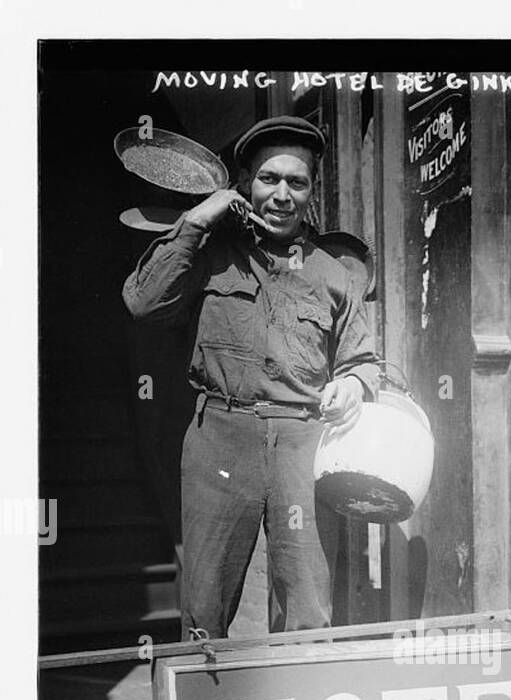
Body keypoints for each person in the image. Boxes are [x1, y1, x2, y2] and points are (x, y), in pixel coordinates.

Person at [123, 115, 379, 639]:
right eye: (269, 179)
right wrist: (196, 220)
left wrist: (352, 386)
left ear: (310, 191)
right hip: (220, 437)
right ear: (245, 185)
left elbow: (361, 360)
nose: (282, 194)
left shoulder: (334, 272)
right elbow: (142, 304)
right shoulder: (208, 252)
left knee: (309, 605)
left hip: (303, 442)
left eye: (297, 181)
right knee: (204, 604)